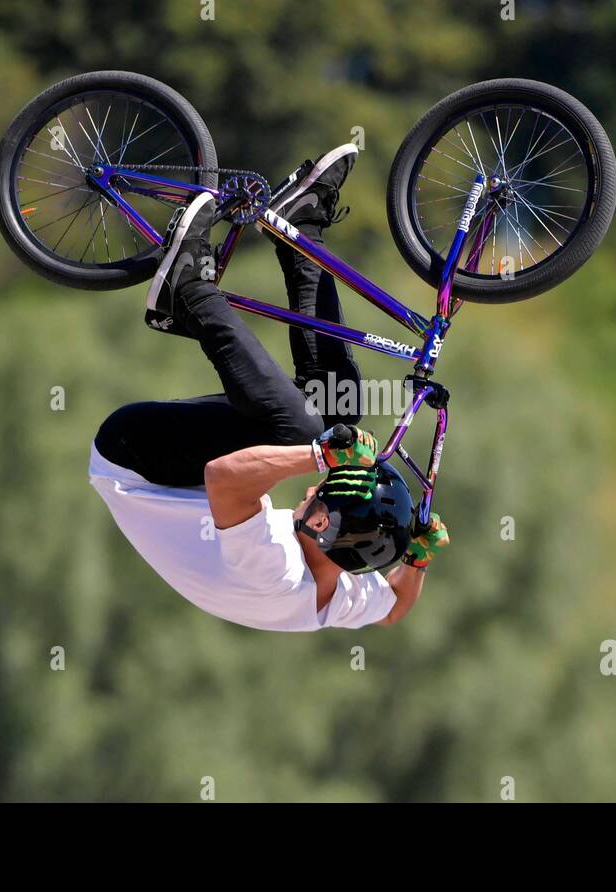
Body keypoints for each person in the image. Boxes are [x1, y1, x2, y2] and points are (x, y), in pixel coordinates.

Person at [89, 145, 449, 631]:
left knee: (303, 435)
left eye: (321, 494)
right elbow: (395, 608)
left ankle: (189, 290)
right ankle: (300, 229)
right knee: (336, 410)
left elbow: (224, 476)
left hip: (133, 459)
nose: (310, 491)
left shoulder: (273, 575)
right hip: (182, 475)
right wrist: (418, 561)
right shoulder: (340, 582)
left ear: (323, 524)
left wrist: (322, 456)